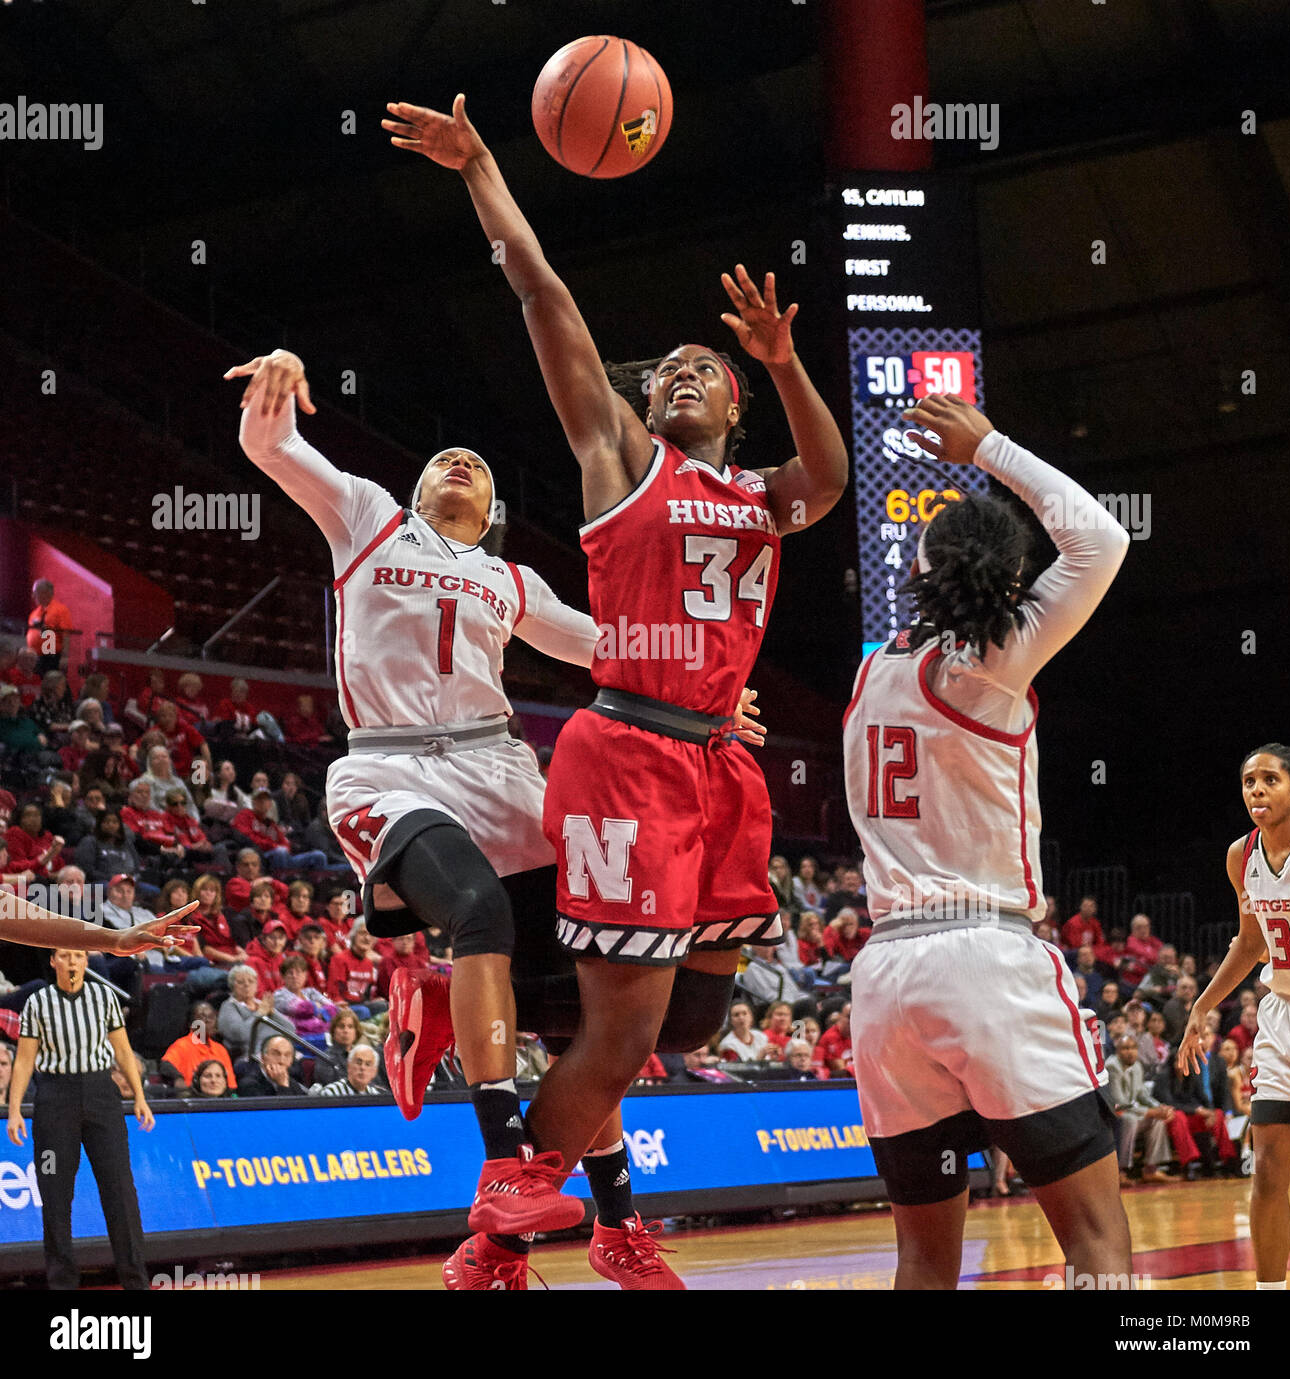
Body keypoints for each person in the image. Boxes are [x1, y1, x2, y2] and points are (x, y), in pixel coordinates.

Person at [381, 95, 846, 1287]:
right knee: (628, 1029)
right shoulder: (618, 464)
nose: (686, 375)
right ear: (643, 410)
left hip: (718, 768)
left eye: (707, 370)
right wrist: (483, 167)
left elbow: (832, 478)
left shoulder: (764, 496)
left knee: (688, 1027)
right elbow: (544, 296)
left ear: (733, 405)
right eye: (669, 373)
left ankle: (525, 1201)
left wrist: (786, 363)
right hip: (629, 750)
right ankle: (499, 1223)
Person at [227, 344, 768, 1291]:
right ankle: (501, 1164)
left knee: (591, 1008)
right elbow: (271, 445)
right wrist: (276, 379)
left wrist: (716, 696)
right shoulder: (366, 518)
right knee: (479, 910)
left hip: (501, 766)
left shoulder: (511, 582)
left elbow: (624, 648)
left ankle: (618, 1223)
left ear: (496, 512)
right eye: (444, 460)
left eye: (476, 463)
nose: (462, 464)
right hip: (391, 768)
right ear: (417, 485)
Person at [844, 392, 1132, 1289]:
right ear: (1012, 583)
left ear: (917, 571)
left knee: (923, 1265)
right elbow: (1101, 538)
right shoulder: (995, 658)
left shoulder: (868, 671)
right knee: (1097, 1246)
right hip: (985, 953)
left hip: (883, 979)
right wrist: (990, 446)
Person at [1178, 743, 1290, 1289]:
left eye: (1271, 779)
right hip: (1280, 1016)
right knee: (1270, 1167)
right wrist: (1202, 1006)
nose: (1257, 789)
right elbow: (1250, 944)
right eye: (1250, 780)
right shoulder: (1241, 856)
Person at [6, 949, 154, 1289]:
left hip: (102, 1094)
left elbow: (122, 1050)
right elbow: (25, 1061)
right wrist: (15, 1110)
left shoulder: (104, 996)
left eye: (78, 956)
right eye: (65, 956)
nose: (72, 962)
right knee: (55, 1191)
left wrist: (140, 1095)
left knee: (120, 1190)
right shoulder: (38, 1001)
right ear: (54, 962)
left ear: (86, 962)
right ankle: (62, 1283)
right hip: (54, 1099)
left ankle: (136, 1281)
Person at [1103, 1035, 1174, 1185]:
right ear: (1117, 1051)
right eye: (1126, 1048)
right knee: (1130, 1120)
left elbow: (1142, 1094)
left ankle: (1151, 1170)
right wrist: (1148, 1112)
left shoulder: (1137, 1066)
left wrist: (1159, 1107)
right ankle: (1120, 1172)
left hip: (1133, 1112)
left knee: (1157, 1120)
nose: (1130, 1052)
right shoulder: (1112, 1066)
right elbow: (1120, 1102)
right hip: (1114, 1115)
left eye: (1133, 1048)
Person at [159, 1001, 236, 1090]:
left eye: (211, 1017)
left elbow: (231, 1085)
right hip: (193, 1097)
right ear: (191, 1023)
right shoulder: (182, 1045)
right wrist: (178, 1079)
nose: (207, 1020)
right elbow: (165, 1065)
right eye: (202, 1017)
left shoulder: (221, 1050)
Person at [236, 1033, 307, 1097]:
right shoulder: (249, 1084)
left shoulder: (292, 1082)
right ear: (262, 1056)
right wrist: (283, 1086)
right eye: (275, 1054)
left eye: (287, 1055)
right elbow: (278, 1111)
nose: (281, 1061)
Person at [26, 580, 72, 673]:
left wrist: (65, 657)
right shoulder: (34, 613)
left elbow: (66, 634)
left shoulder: (60, 610)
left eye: (35, 593)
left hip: (52, 657)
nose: (33, 596)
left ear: (45, 593)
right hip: (35, 658)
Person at [314, 1044, 384, 1098]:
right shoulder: (330, 1093)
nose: (362, 1068)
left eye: (368, 1064)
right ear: (349, 1066)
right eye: (358, 1063)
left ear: (374, 1072)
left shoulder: (376, 1095)